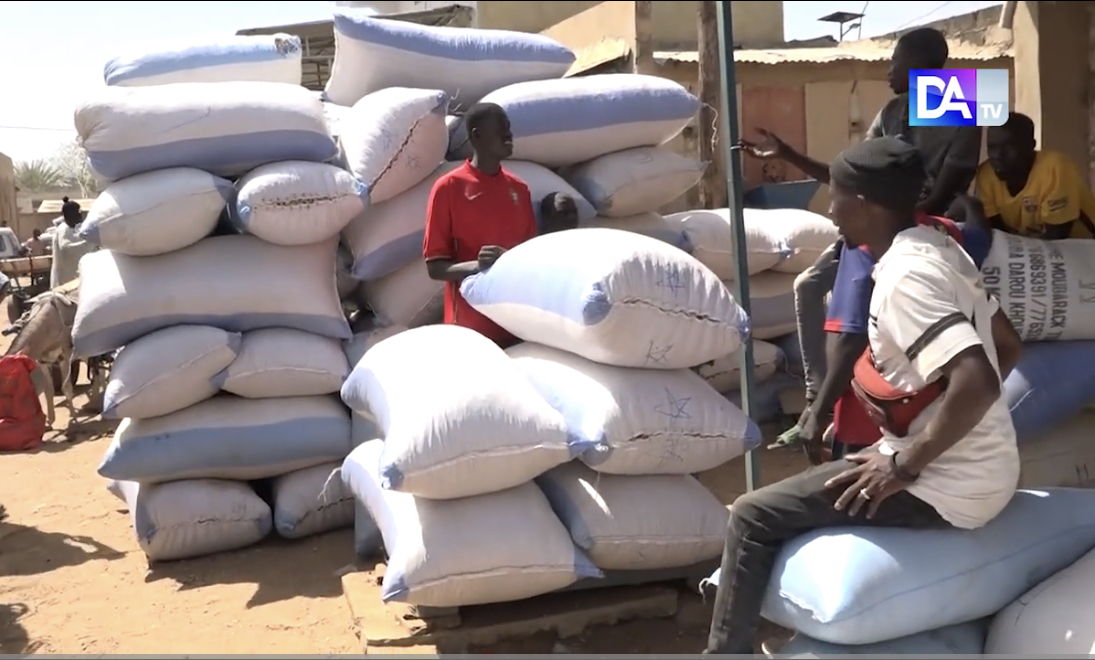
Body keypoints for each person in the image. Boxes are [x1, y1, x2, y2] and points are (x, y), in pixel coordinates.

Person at [705, 137, 1022, 655]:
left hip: (947, 487)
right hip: (982, 469)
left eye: (839, 196)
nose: (830, 211)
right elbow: (1005, 346)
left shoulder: (906, 279)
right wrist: (914, 426)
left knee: (752, 515)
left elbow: (979, 378)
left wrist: (907, 464)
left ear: (868, 204)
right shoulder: (939, 246)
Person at [740, 27, 984, 449]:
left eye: (897, 59)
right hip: (879, 221)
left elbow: (952, 181)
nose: (889, 68)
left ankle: (827, 414)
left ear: (924, 65)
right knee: (807, 286)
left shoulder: (962, 104)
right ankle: (819, 395)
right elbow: (850, 174)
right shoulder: (892, 113)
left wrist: (904, 223)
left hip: (917, 226)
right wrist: (788, 155)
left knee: (855, 314)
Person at [423, 102, 538, 348]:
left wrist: (506, 260)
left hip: (516, 329)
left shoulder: (519, 189)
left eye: (508, 128)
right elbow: (435, 267)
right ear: (476, 136)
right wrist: (479, 266)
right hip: (469, 331)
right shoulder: (449, 189)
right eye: (500, 129)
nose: (509, 135)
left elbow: (529, 260)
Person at [975, 112, 1095, 239]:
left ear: (1031, 145)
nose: (997, 155)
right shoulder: (986, 175)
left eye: (1008, 147)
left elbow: (1057, 237)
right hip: (1034, 251)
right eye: (992, 147)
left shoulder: (1055, 168)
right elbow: (997, 235)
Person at [50, 197, 95, 288]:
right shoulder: (64, 229)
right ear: (70, 215)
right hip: (65, 279)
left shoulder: (74, 229)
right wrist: (86, 243)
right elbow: (65, 247)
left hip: (74, 276)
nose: (80, 216)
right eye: (78, 213)